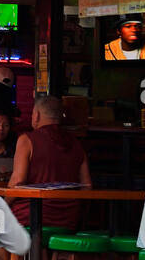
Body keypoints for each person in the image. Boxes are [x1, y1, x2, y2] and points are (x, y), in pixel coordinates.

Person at [8, 95, 91, 229]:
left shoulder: (27, 140)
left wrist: (4, 204)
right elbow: (87, 186)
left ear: (36, 115)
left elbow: (17, 181)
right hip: (68, 219)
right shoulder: (76, 143)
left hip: (30, 216)